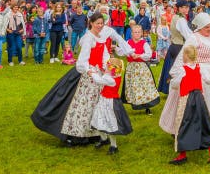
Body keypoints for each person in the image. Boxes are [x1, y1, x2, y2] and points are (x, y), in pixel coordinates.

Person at [30, 12, 133, 145]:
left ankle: (97, 133)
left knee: (97, 105)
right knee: (83, 105)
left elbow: (108, 49)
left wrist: (108, 64)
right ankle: (77, 134)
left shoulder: (103, 34)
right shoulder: (88, 38)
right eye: (97, 24)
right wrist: (91, 72)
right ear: (91, 23)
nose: (100, 26)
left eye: (102, 23)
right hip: (89, 74)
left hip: (100, 73)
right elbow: (82, 61)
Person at [160, 13, 210, 134]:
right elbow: (184, 55)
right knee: (195, 102)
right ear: (200, 27)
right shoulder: (194, 38)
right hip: (197, 73)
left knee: (209, 101)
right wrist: (176, 73)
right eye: (207, 27)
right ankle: (189, 130)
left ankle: (205, 130)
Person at [168, 45, 210, 165]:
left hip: (187, 99)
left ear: (185, 56)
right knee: (204, 121)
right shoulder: (199, 67)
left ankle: (182, 154)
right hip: (199, 98)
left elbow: (175, 84)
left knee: (183, 123)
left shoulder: (182, 70)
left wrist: (173, 81)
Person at [90, 58, 132, 155]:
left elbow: (99, 80)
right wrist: (104, 71)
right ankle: (104, 139)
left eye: (108, 66)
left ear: (112, 68)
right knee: (98, 120)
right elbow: (106, 75)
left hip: (110, 103)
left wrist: (91, 73)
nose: (106, 67)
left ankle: (114, 146)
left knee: (110, 124)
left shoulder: (111, 79)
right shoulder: (114, 75)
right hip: (104, 101)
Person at [121, 25, 160, 116]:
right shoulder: (128, 42)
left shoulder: (144, 43)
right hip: (131, 68)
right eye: (135, 32)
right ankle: (134, 103)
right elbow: (123, 51)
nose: (137, 34)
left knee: (145, 87)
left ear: (141, 33)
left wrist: (139, 56)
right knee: (133, 87)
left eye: (139, 32)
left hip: (142, 68)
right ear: (131, 33)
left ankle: (148, 107)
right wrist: (117, 49)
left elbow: (149, 54)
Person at [157, 0, 193, 94]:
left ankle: (169, 88)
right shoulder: (180, 20)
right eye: (183, 7)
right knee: (178, 69)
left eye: (187, 7)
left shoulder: (175, 17)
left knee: (171, 67)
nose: (186, 9)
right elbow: (187, 35)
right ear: (179, 8)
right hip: (179, 47)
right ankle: (176, 89)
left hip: (174, 46)